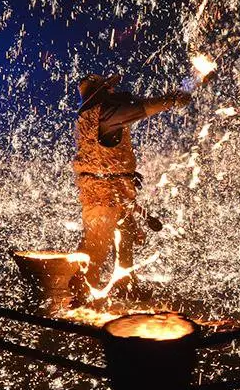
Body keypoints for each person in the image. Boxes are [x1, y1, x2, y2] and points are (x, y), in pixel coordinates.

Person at [72, 73, 190, 286]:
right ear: (100, 93)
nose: (113, 92)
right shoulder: (104, 114)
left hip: (113, 190)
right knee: (96, 246)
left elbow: (98, 155)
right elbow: (141, 109)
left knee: (125, 236)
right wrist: (171, 100)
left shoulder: (90, 117)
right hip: (102, 196)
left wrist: (124, 173)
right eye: (108, 89)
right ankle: (81, 289)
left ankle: (125, 284)